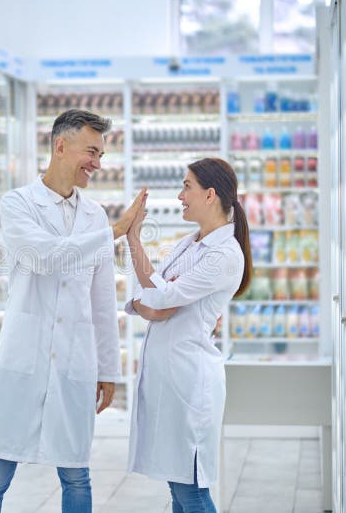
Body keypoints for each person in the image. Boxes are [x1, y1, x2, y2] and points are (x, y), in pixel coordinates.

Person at [0, 109, 147, 513]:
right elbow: (44, 257)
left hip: (73, 360)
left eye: (101, 155)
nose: (97, 164)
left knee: (76, 473)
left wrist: (108, 370)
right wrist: (112, 233)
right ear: (60, 146)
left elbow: (102, 301)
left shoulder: (94, 215)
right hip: (23, 357)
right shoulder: (18, 204)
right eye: (91, 152)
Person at [124, 158, 252, 513]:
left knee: (190, 491)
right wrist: (134, 240)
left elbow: (159, 298)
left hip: (188, 383)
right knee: (178, 487)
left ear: (209, 195)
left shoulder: (225, 255)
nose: (180, 195)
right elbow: (150, 295)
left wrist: (155, 297)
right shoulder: (190, 243)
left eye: (187, 187)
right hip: (171, 379)